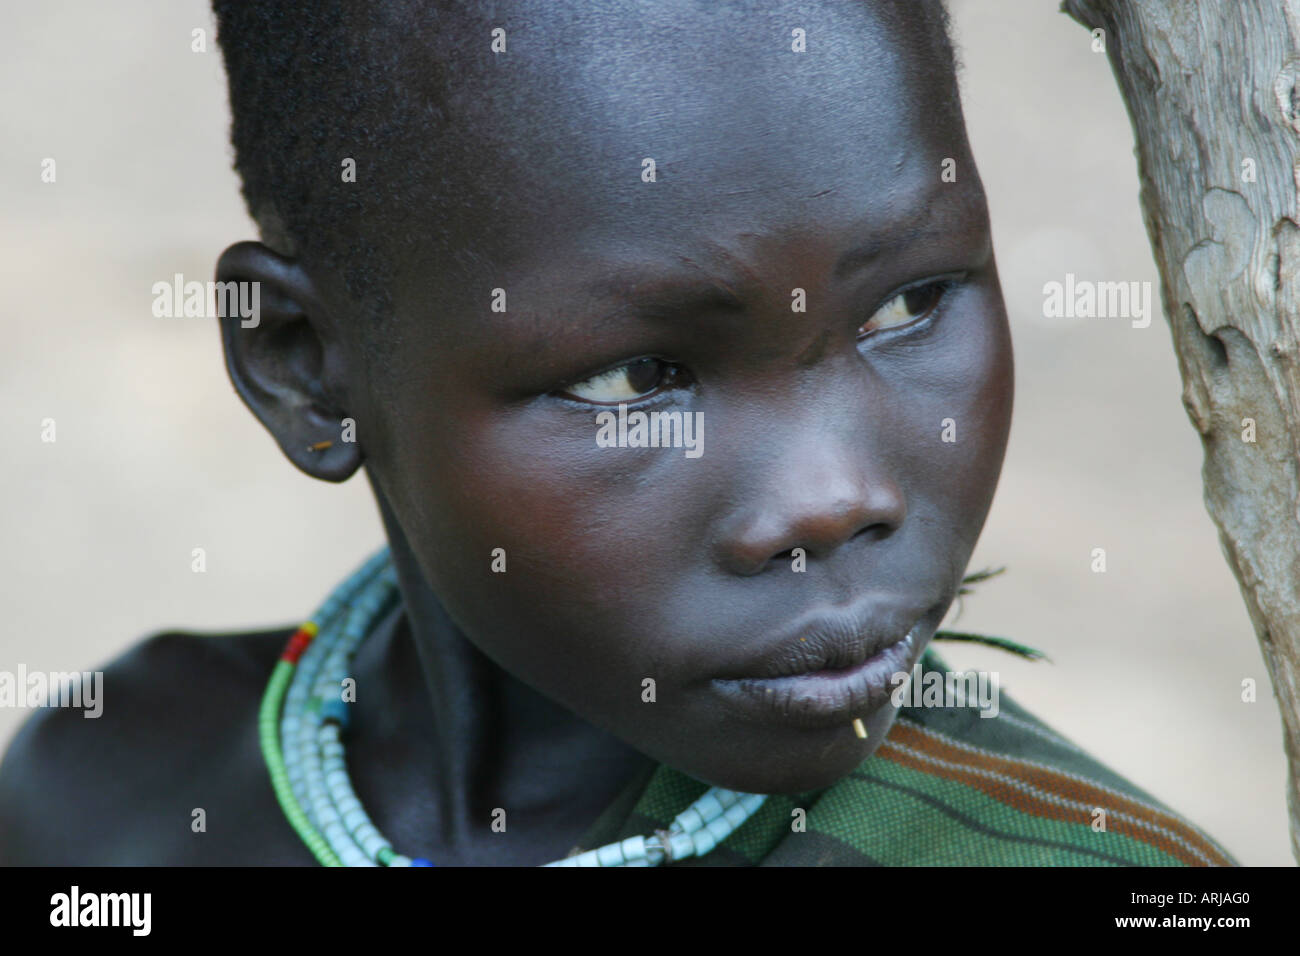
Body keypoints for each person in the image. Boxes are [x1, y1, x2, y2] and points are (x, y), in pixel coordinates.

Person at [0, 0, 1235, 866]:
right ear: (303, 370)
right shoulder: (105, 799)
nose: (833, 496)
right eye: (641, 375)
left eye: (909, 303)